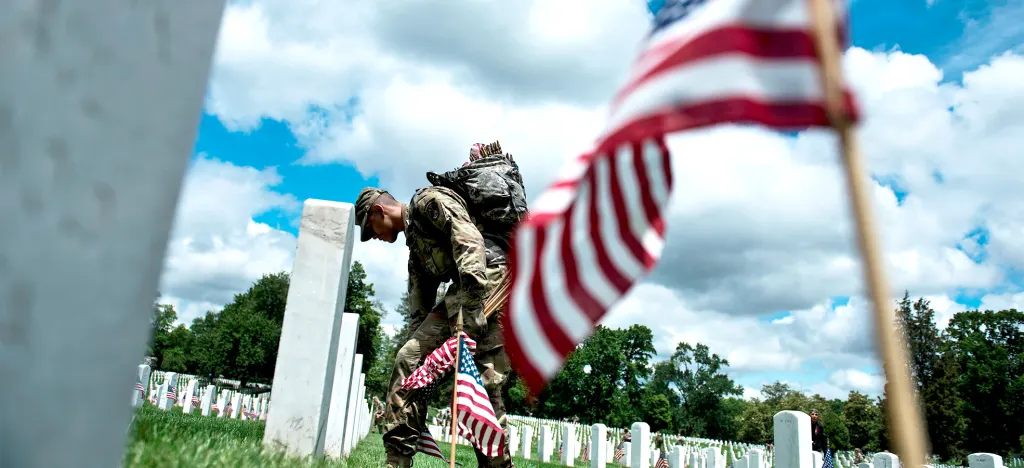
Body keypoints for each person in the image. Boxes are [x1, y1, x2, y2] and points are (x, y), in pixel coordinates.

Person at [356, 185, 513, 468]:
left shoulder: (428, 202)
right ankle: (397, 459)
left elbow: (469, 241)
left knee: (485, 384)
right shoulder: (416, 251)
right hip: (464, 297)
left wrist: (473, 307)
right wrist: (424, 357)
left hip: (491, 283)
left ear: (379, 211)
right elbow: (419, 309)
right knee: (410, 359)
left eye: (371, 228)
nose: (374, 237)